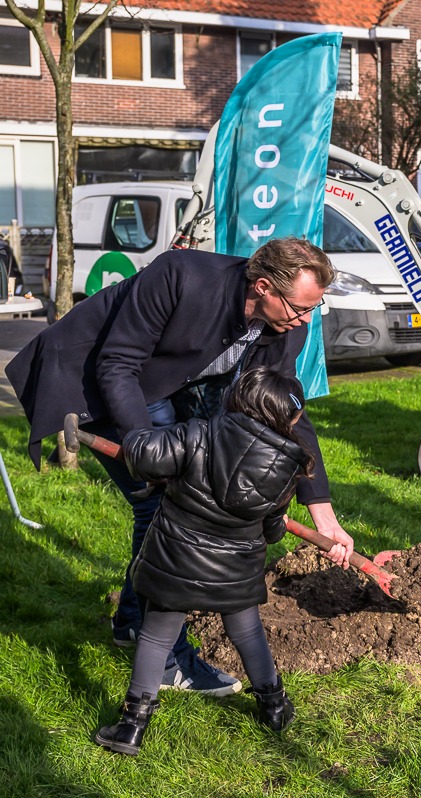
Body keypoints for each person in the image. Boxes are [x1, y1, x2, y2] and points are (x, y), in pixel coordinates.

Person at [6, 237, 355, 697]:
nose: (305, 320)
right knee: (163, 507)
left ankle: (133, 623)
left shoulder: (287, 326)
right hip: (98, 379)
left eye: (315, 307)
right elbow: (118, 364)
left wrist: (322, 511)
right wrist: (143, 448)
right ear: (264, 286)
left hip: (168, 387)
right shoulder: (180, 276)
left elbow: (286, 410)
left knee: (165, 506)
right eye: (298, 308)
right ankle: (165, 658)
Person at [95, 367, 314, 756]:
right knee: (248, 633)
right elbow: (272, 531)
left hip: (176, 560)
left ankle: (132, 727)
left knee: (156, 635)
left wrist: (140, 442)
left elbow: (145, 456)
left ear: (238, 398)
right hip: (236, 571)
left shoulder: (198, 432)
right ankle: (274, 707)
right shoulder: (287, 468)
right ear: (287, 419)